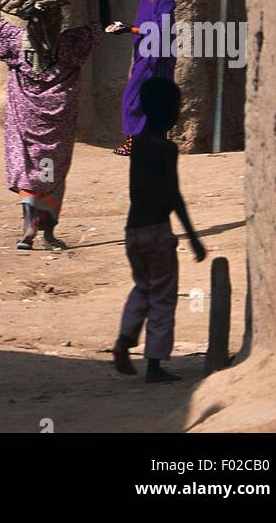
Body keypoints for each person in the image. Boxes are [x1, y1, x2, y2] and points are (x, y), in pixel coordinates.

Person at [0, 0, 109, 250]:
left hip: (30, 122)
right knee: (50, 175)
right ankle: (45, 232)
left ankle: (32, 227)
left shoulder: (17, 42)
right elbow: (103, 23)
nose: (53, 23)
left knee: (31, 171)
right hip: (57, 125)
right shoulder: (70, 44)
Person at [113, 76, 206, 383]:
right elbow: (173, 196)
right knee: (163, 297)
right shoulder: (167, 150)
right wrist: (193, 238)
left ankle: (125, 339)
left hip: (132, 231)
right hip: (158, 233)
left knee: (142, 287)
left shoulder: (137, 146)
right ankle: (154, 363)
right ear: (171, 112)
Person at [111, 0, 176, 155]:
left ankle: (134, 143)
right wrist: (127, 28)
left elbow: (161, 30)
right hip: (143, 56)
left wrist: (128, 29)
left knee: (133, 97)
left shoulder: (165, 1)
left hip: (156, 59)